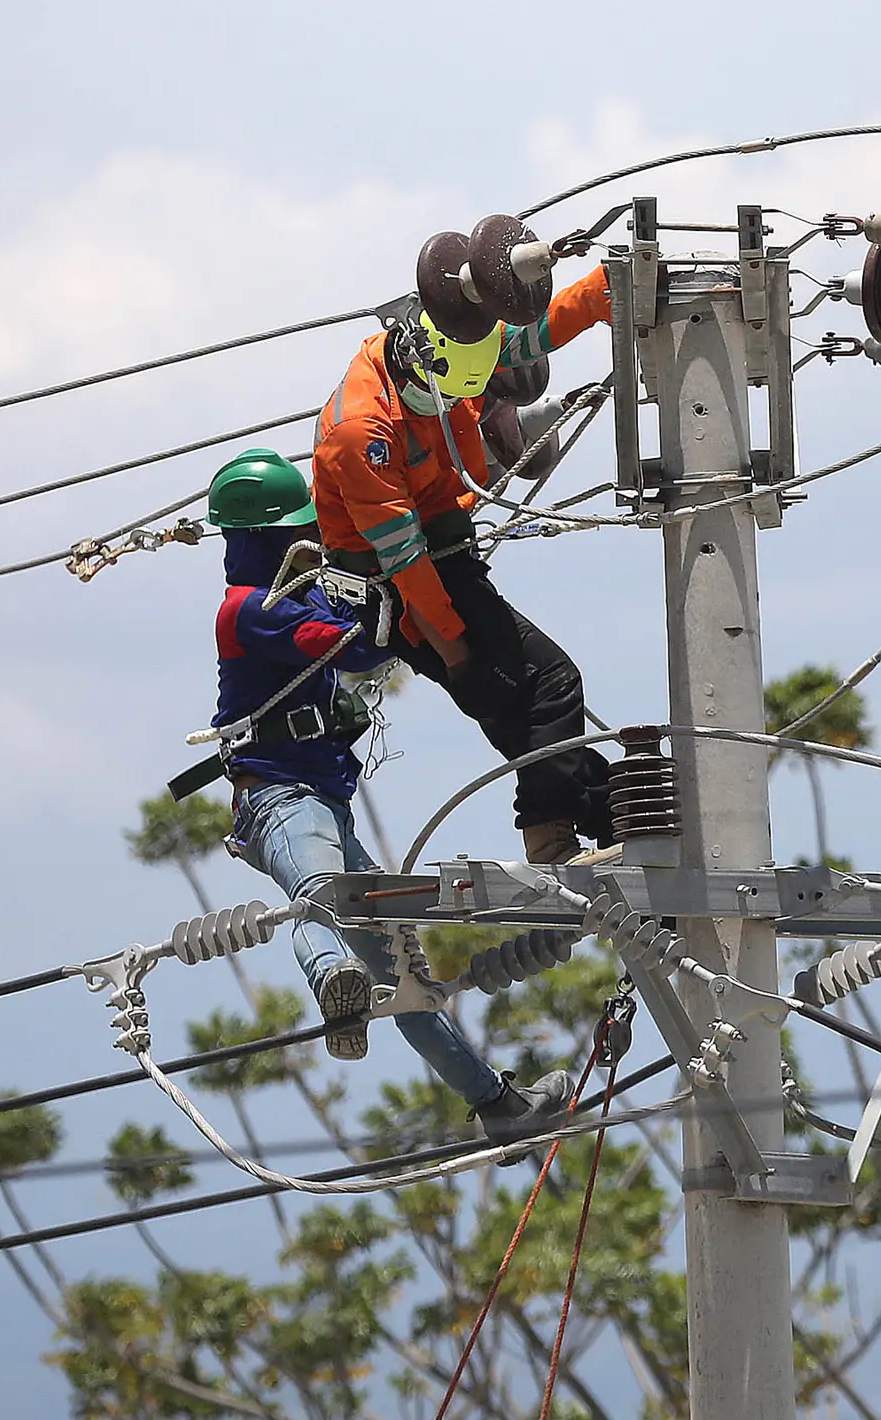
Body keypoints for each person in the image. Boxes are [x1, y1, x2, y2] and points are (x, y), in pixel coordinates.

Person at [194, 449, 574, 1144]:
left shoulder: (297, 595)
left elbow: (359, 622)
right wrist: (404, 585)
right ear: (263, 538)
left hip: (322, 803)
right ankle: (332, 977)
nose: (308, 541)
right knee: (320, 897)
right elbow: (357, 647)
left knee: (403, 980)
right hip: (280, 799)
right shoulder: (247, 611)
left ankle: (495, 1104)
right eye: (296, 531)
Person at [309, 265, 617, 865]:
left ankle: (604, 813)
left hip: (443, 559)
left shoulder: (451, 342)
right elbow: (404, 559)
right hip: (400, 585)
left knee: (517, 707)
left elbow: (529, 339)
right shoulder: (360, 432)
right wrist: (455, 653)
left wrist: (603, 291)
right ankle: (553, 834)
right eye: (444, 400)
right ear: (420, 370)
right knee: (550, 684)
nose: (455, 409)